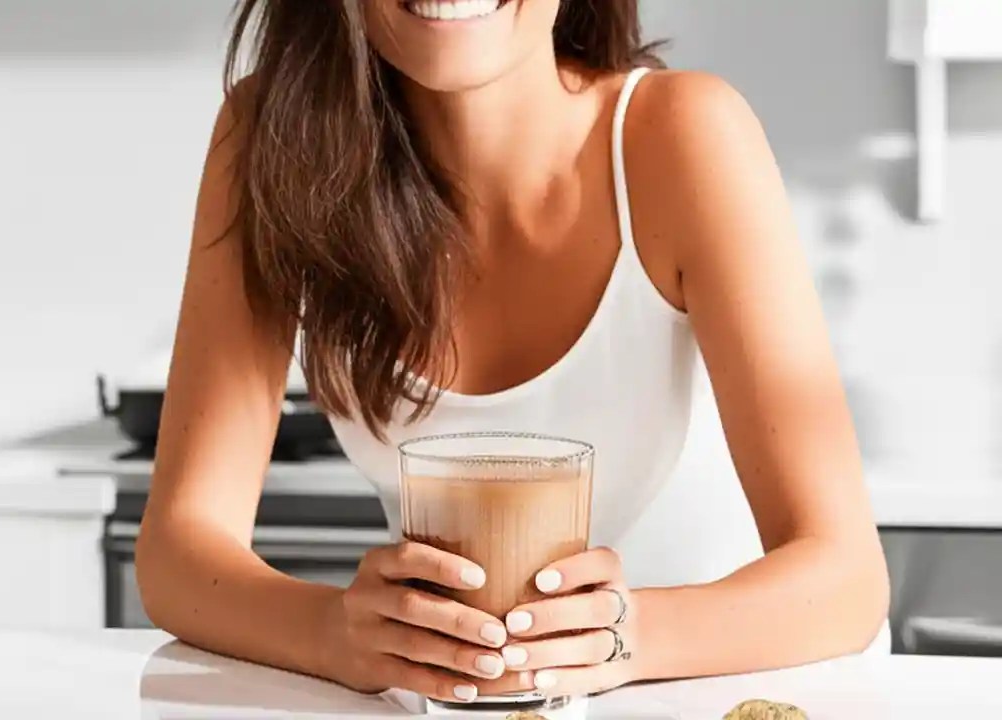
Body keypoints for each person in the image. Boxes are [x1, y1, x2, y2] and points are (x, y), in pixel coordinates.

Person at [137, 0, 890, 704]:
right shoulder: (275, 143)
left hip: (740, 695)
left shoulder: (683, 133)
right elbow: (177, 554)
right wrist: (333, 633)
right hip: (474, 706)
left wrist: (624, 638)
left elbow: (847, 580)